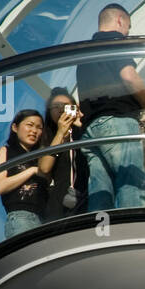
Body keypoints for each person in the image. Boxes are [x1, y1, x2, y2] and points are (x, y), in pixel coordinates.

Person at [75, 3, 145, 211]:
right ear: (119, 20)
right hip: (117, 121)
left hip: (91, 131)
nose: (128, 32)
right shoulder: (115, 40)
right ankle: (134, 232)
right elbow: (129, 76)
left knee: (100, 190)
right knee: (131, 182)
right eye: (128, 26)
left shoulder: (84, 53)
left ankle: (101, 235)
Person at [0, 107, 78, 237]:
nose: (34, 131)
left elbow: (48, 168)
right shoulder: (6, 151)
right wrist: (32, 171)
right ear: (15, 128)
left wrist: (63, 134)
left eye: (39, 128)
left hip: (44, 219)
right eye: (30, 125)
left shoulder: (40, 157)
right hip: (21, 216)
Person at [41, 87, 88, 221]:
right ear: (49, 112)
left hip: (89, 195)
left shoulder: (84, 130)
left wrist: (82, 124)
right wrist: (61, 133)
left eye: (66, 106)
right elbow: (44, 168)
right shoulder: (49, 138)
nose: (61, 110)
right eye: (56, 106)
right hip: (59, 203)